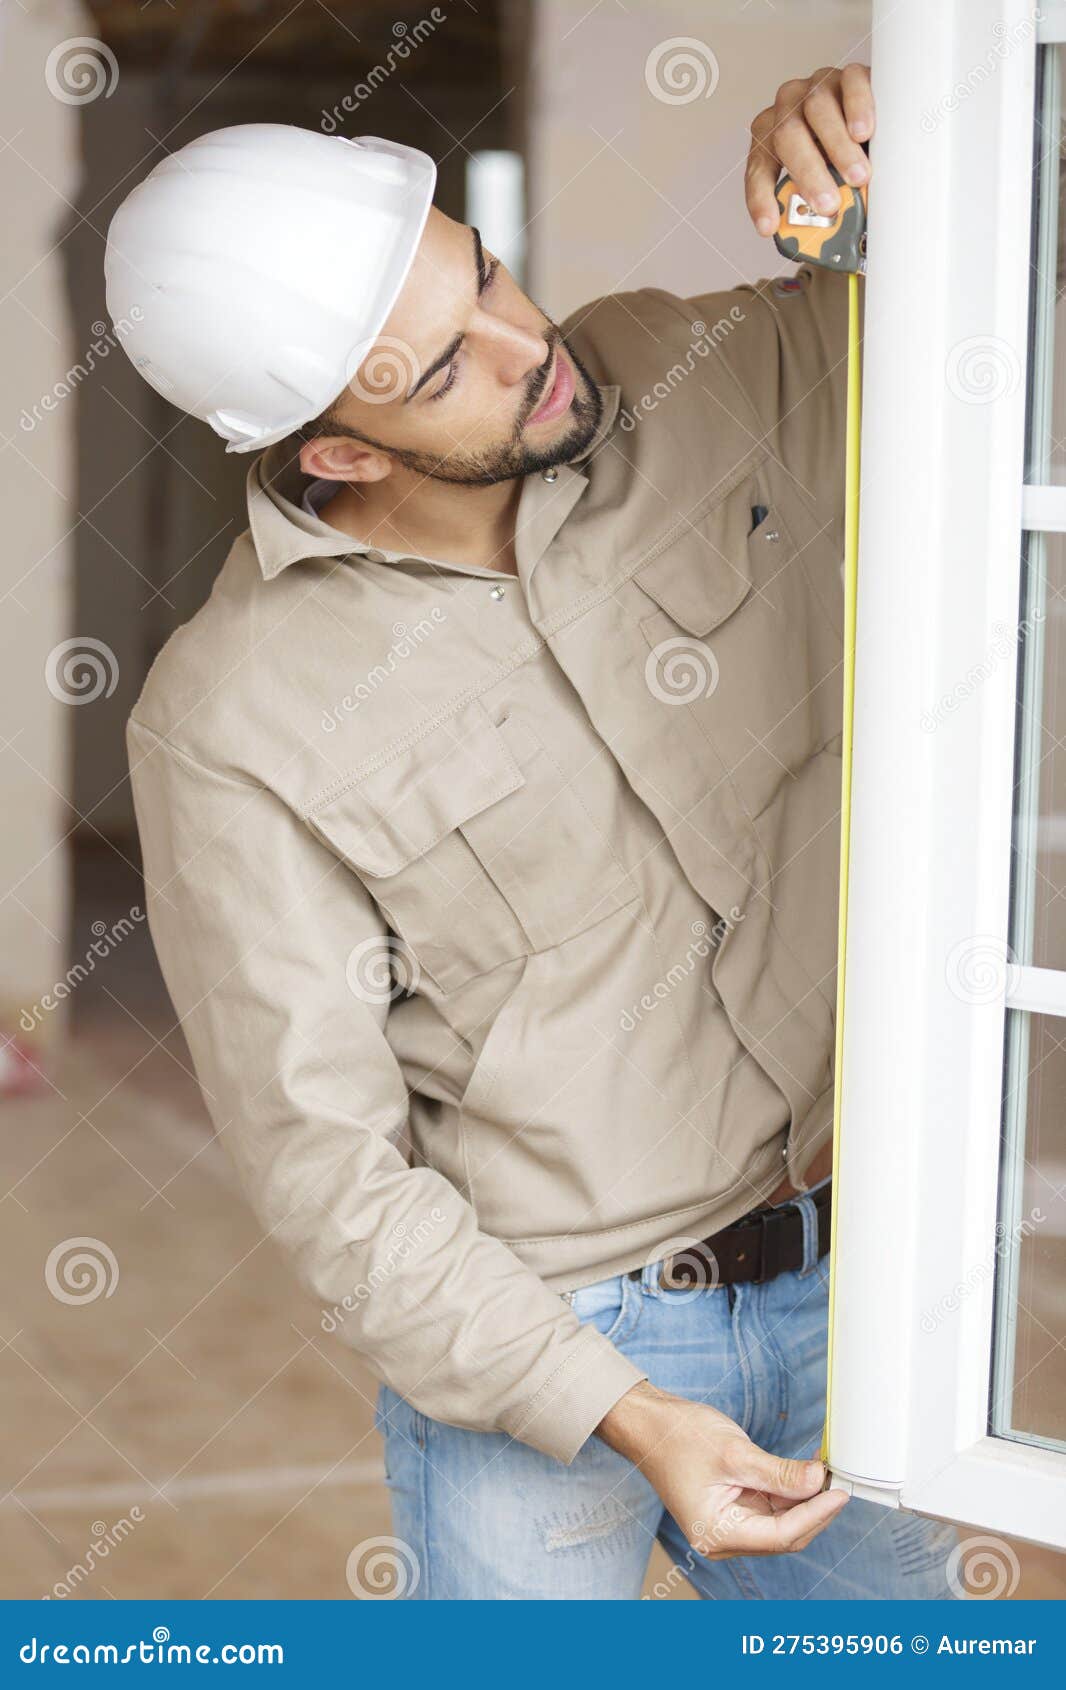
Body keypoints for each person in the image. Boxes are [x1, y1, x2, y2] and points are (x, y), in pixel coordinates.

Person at [107, 63, 957, 1599]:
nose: (530, 349)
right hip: (548, 1349)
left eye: (487, 276)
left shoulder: (692, 374)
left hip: (850, 1280)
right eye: (446, 370)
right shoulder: (230, 718)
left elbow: (989, 319)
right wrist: (618, 1408)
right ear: (336, 451)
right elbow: (331, 1173)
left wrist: (878, 146)